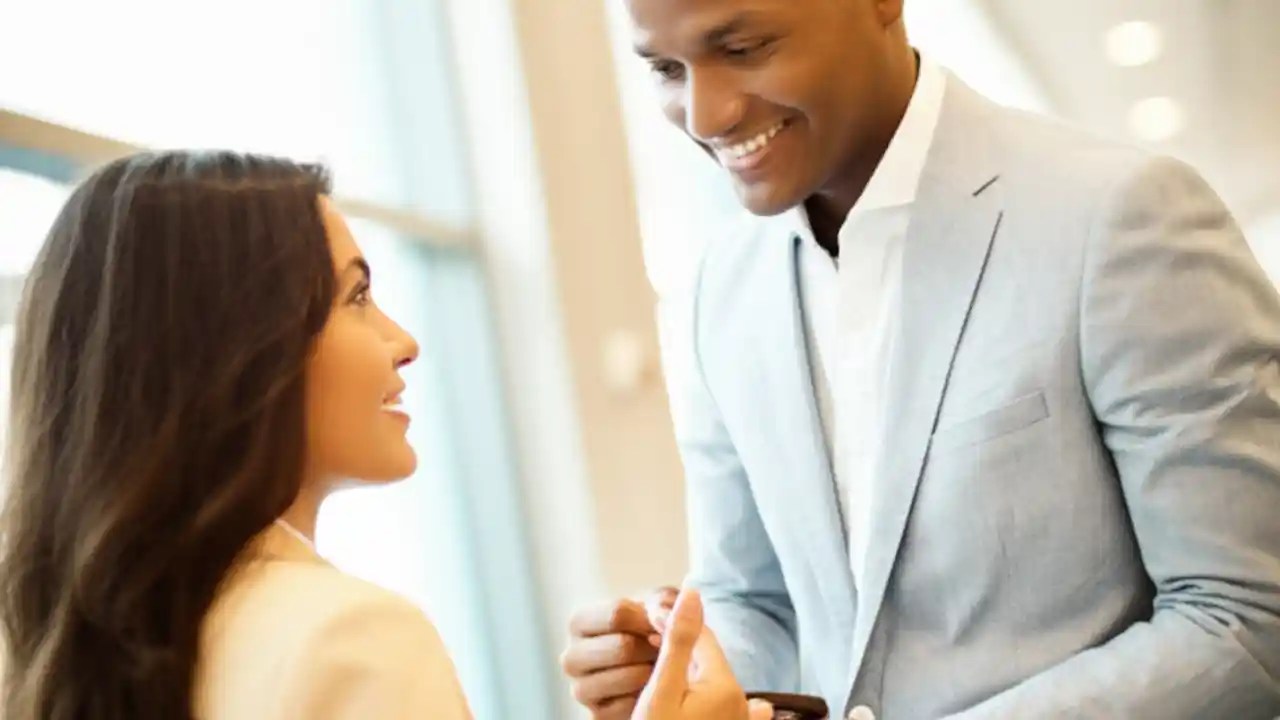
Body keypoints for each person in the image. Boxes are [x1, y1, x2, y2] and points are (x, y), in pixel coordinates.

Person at [563, 0, 1280, 718]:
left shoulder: (1118, 216)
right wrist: (681, 666)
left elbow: (1248, 622)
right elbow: (754, 596)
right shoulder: (721, 287)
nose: (705, 115)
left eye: (745, 47)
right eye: (665, 69)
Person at [0, 151, 769, 720]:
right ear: (239, 348)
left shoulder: (42, 650)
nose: (403, 340)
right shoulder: (349, 639)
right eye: (357, 297)